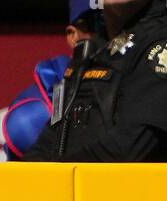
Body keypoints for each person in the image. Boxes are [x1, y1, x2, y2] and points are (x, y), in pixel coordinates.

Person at [26, 0, 167, 161]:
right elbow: (50, 140)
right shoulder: (95, 48)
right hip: (74, 182)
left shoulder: (159, 43)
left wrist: (57, 174)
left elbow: (129, 148)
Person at [3, 3, 99, 159]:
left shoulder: (141, 78)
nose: (109, 33)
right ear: (73, 35)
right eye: (97, 23)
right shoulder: (39, 107)